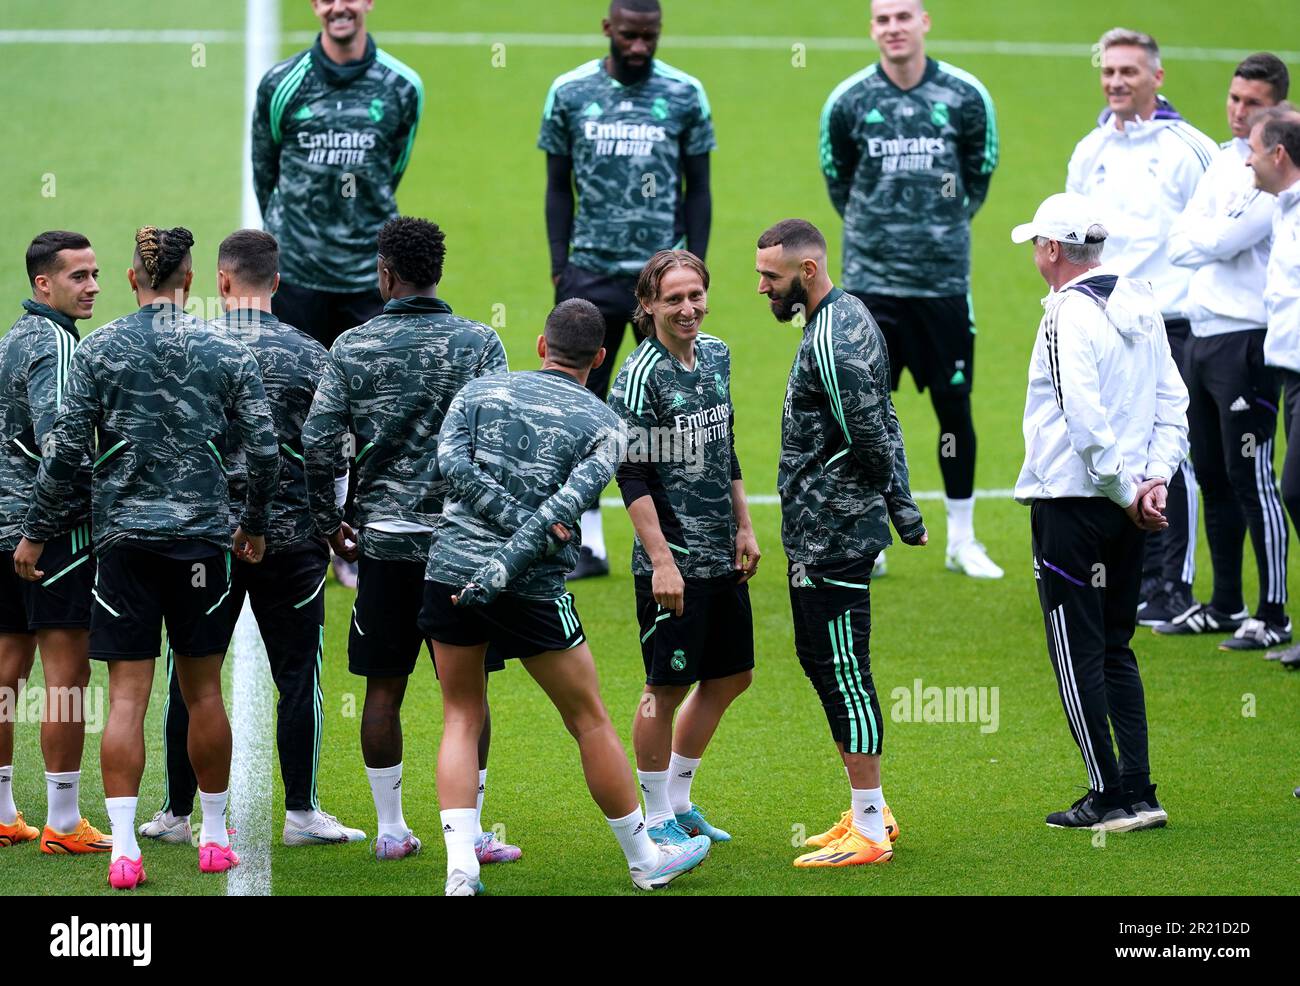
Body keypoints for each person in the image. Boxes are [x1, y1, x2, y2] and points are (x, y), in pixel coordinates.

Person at [15, 226, 279, 889]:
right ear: (189, 280)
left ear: (133, 279)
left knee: (127, 700)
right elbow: (267, 451)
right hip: (201, 549)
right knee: (203, 693)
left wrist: (35, 533)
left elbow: (67, 453)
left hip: (125, 550)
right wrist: (252, 525)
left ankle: (125, 849)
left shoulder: (97, 351)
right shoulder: (228, 347)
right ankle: (215, 837)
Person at [422, 297, 710, 895]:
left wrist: (492, 554)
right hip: (532, 590)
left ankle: (460, 869)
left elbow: (449, 465)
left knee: (461, 715)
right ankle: (643, 859)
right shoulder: (606, 424)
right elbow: (561, 510)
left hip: (450, 573)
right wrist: (509, 557)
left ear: (540, 345)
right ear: (601, 358)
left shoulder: (478, 392)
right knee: (588, 721)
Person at [302, 217, 520, 864]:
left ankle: (392, 828)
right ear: (438, 272)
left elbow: (319, 444)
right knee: (469, 695)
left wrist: (329, 519)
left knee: (382, 688)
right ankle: (472, 831)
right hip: (461, 549)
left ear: (386, 274)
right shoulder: (481, 343)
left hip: (385, 548)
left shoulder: (351, 347)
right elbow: (503, 444)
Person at [138, 230, 365, 848]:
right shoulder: (313, 354)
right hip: (290, 542)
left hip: (203, 542)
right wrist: (331, 523)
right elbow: (330, 451)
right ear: (279, 282)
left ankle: (175, 813)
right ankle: (302, 814)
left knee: (192, 674)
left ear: (220, 281)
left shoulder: (194, 348)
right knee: (299, 674)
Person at [1012, 193, 1188, 831]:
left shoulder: (1063, 314)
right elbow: (1174, 402)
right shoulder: (1142, 298)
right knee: (1117, 645)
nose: (1035, 252)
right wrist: (1153, 483)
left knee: (1076, 649)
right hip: (1129, 508)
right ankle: (1140, 790)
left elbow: (1082, 417)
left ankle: (1108, 797)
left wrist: (1124, 487)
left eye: (1037, 243)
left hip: (1072, 505)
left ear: (1053, 250)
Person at [755, 219, 925, 868]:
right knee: (823, 660)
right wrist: (903, 511)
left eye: (770, 277)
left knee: (843, 670)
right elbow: (885, 417)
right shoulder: (852, 315)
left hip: (831, 534)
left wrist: (898, 508)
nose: (762, 288)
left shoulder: (832, 339)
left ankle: (872, 830)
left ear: (805, 272)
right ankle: (868, 809)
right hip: (828, 529)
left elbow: (871, 436)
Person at [819, 0, 1000, 580]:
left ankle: (962, 539)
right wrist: (881, 233)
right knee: (866, 415)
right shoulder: (849, 101)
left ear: (924, 21)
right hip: (871, 289)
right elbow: (838, 179)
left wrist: (938, 229)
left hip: (944, 284)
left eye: (903, 16)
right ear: (872, 28)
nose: (893, 28)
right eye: (882, 19)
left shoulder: (965, 96)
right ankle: (871, 537)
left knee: (954, 410)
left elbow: (981, 170)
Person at [539, 0, 715, 579]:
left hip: (660, 278)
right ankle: (588, 542)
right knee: (584, 406)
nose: (640, 46)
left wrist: (693, 267)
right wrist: (561, 267)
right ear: (608, 29)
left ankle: (678, 536)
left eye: (650, 37)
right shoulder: (569, 92)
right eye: (630, 36)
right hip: (589, 274)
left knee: (668, 408)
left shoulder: (686, 94)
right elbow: (557, 187)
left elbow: (698, 189)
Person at [1066, 27, 1218, 625]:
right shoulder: (1090, 150)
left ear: (1157, 76)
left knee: (1168, 450)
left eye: (1128, 71)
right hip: (1102, 322)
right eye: (1108, 72)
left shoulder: (1190, 148)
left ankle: (1172, 586)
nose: (1116, 82)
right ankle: (1126, 577)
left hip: (1171, 321)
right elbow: (1076, 234)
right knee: (1113, 446)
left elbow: (1219, 232)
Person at [606, 251, 757, 847]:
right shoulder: (639, 375)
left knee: (731, 676)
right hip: (675, 567)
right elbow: (632, 475)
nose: (688, 308)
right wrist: (664, 561)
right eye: (674, 299)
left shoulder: (717, 353)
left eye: (695, 295)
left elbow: (727, 448)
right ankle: (654, 815)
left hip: (722, 553)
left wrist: (744, 526)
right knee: (663, 691)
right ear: (648, 306)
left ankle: (679, 797)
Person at [1164, 55, 1291, 650]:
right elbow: (1183, 238)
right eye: (1234, 99)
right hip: (1202, 333)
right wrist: (1205, 236)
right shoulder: (1222, 158)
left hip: (1248, 340)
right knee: (1211, 472)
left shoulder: (1278, 168)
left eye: (1252, 104)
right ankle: (1224, 603)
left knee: (1252, 476)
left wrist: (1204, 236)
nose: (1239, 112)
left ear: (1278, 109)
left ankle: (1273, 612)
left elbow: (1218, 238)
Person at [0, 231, 109, 854]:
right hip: (48, 534)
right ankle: (64, 823)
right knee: (65, 675)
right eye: (78, 277)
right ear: (45, 284)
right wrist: (41, 533)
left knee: (7, 670)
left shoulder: (14, 338)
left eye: (95, 274)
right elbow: (60, 448)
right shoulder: (56, 346)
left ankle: (5, 809)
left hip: (4, 524)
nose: (92, 286)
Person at [252, 0, 424, 350]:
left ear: (368, 3)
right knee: (296, 395)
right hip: (297, 277)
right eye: (328, 0)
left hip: (372, 279)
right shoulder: (281, 83)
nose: (339, 8)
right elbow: (264, 173)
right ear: (316, 6)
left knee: (370, 396)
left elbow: (392, 169)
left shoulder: (403, 86)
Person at [1245, 105, 1300, 668]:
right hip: (1290, 374)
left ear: (1278, 155)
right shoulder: (1287, 209)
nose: (1248, 161)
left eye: (1255, 150)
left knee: (1296, 489)